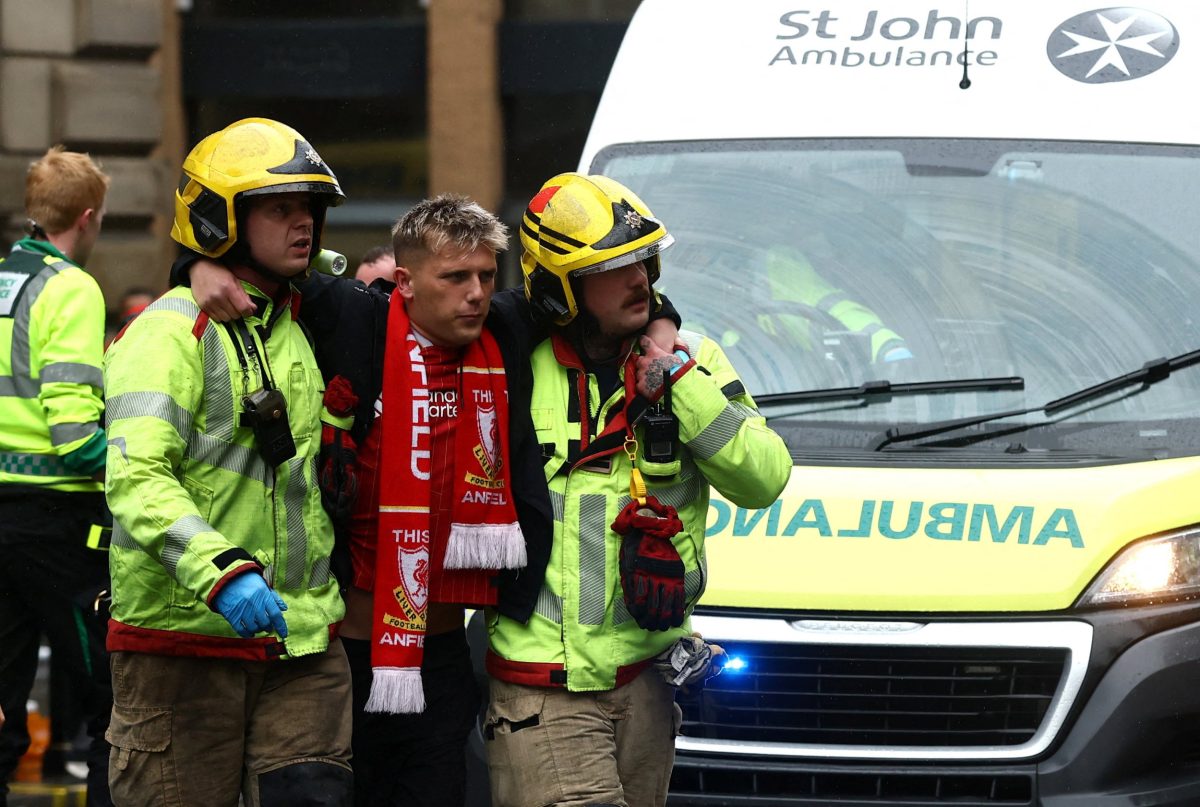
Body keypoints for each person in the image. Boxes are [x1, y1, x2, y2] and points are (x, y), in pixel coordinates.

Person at [181, 193, 684, 807]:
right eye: (453, 277)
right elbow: (259, 271)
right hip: (348, 655)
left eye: (484, 276)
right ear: (406, 283)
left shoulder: (506, 324)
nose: (474, 292)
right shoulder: (356, 319)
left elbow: (610, 295)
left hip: (444, 656)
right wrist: (191, 267)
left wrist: (664, 327)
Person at [482, 173, 793, 807]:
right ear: (560, 285)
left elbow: (763, 478)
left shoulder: (694, 359)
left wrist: (678, 380)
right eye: (613, 266)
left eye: (644, 261)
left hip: (648, 685)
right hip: (544, 686)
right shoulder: (510, 361)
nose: (640, 280)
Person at [102, 118, 353, 806]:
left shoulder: (304, 325)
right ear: (220, 219)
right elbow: (136, 478)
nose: (304, 223)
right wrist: (222, 571)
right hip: (181, 648)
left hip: (302, 649)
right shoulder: (166, 333)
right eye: (280, 209)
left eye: (309, 209)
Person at [0, 146, 112, 807]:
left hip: (3, 514)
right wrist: (132, 464)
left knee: (5, 701)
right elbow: (74, 438)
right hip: (56, 525)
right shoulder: (71, 287)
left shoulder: (4, 278)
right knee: (109, 696)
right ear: (88, 217)